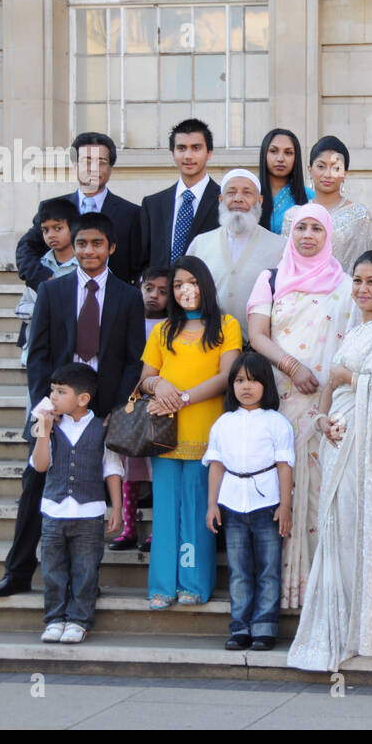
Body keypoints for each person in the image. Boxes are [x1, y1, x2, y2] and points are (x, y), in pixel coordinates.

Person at [0, 212, 144, 598]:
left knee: (92, 493)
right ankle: (18, 571)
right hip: (54, 406)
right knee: (35, 484)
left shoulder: (126, 296)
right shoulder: (55, 291)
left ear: (112, 248)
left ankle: (87, 581)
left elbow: (133, 358)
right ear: (73, 247)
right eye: (83, 243)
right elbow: (38, 352)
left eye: (97, 244)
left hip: (100, 410)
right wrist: (48, 404)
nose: (89, 251)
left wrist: (113, 410)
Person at [288, 252, 372, 672]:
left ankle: (359, 627)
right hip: (338, 441)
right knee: (335, 530)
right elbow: (330, 385)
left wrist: (349, 379)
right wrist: (323, 419)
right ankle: (336, 623)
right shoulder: (355, 331)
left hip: (367, 451)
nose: (362, 289)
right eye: (358, 281)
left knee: (355, 528)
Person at [245, 204, 353, 609]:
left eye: (316, 229)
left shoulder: (345, 284)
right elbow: (257, 335)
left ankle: (322, 591)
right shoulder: (270, 279)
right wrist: (292, 366)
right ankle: (280, 592)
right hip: (283, 397)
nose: (308, 235)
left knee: (323, 490)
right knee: (283, 488)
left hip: (330, 405)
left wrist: (330, 387)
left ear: (328, 235)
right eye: (301, 227)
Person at [138, 256, 242, 608]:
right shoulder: (163, 331)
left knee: (199, 509)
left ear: (205, 285)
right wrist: (160, 383)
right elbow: (146, 378)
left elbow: (227, 377)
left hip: (206, 435)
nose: (185, 290)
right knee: (166, 512)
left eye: (191, 283)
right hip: (164, 434)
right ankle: (163, 586)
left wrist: (180, 398)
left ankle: (194, 584)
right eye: (178, 285)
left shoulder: (226, 325)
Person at [204, 352, 294, 651]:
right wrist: (212, 504)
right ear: (231, 385)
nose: (246, 387)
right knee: (240, 570)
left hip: (266, 504)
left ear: (266, 385)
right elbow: (216, 465)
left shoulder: (276, 422)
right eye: (240, 380)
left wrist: (284, 505)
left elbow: (284, 466)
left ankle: (265, 628)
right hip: (232, 503)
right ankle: (240, 627)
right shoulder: (223, 423)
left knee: (268, 569)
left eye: (254, 381)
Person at [33, 363, 124, 644]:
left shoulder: (101, 428)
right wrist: (43, 433)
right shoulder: (48, 426)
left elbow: (112, 468)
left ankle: (79, 620)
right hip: (53, 511)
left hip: (89, 512)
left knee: (85, 570)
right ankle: (55, 619)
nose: (54, 397)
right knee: (53, 570)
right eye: (52, 391)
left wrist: (117, 508)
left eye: (61, 392)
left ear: (83, 399)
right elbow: (39, 466)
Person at [16, 131, 142, 288]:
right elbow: (26, 250)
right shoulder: (52, 207)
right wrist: (47, 280)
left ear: (111, 168)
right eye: (87, 161)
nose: (94, 168)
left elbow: (140, 265)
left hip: (111, 304)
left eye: (102, 161)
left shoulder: (132, 214)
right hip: (59, 303)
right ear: (75, 165)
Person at [110, 266, 171, 552]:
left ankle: (158, 529)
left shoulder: (171, 327)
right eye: (149, 289)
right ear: (139, 287)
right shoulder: (128, 320)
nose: (154, 296)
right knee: (127, 468)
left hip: (160, 407)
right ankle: (128, 527)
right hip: (130, 404)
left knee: (156, 469)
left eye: (162, 291)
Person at [186, 169, 288, 339]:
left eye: (247, 193)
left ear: (259, 200)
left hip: (257, 351)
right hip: (208, 346)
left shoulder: (280, 247)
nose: (238, 198)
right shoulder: (200, 244)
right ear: (221, 200)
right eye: (231, 192)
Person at [139, 119, 222, 270]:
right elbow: (145, 260)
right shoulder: (153, 205)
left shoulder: (224, 202)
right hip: (162, 290)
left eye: (196, 148)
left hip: (208, 290)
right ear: (172, 153)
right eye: (181, 148)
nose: (188, 156)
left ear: (209, 153)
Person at [16, 199, 79, 368]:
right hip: (38, 352)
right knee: (37, 395)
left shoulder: (85, 266)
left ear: (73, 229)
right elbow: (22, 308)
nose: (51, 235)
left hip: (72, 352)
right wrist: (44, 308)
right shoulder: (39, 268)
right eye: (45, 230)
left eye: (58, 228)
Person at [305, 135, 372, 269]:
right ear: (310, 170)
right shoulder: (295, 215)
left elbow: (364, 266)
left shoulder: (360, 216)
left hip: (345, 288)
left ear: (345, 173)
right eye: (321, 166)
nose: (327, 174)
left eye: (336, 168)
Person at [257, 128, 314, 234]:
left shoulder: (310, 198)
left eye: (288, 152)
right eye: (273, 151)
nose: (280, 158)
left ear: (296, 158)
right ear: (264, 154)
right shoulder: (250, 195)